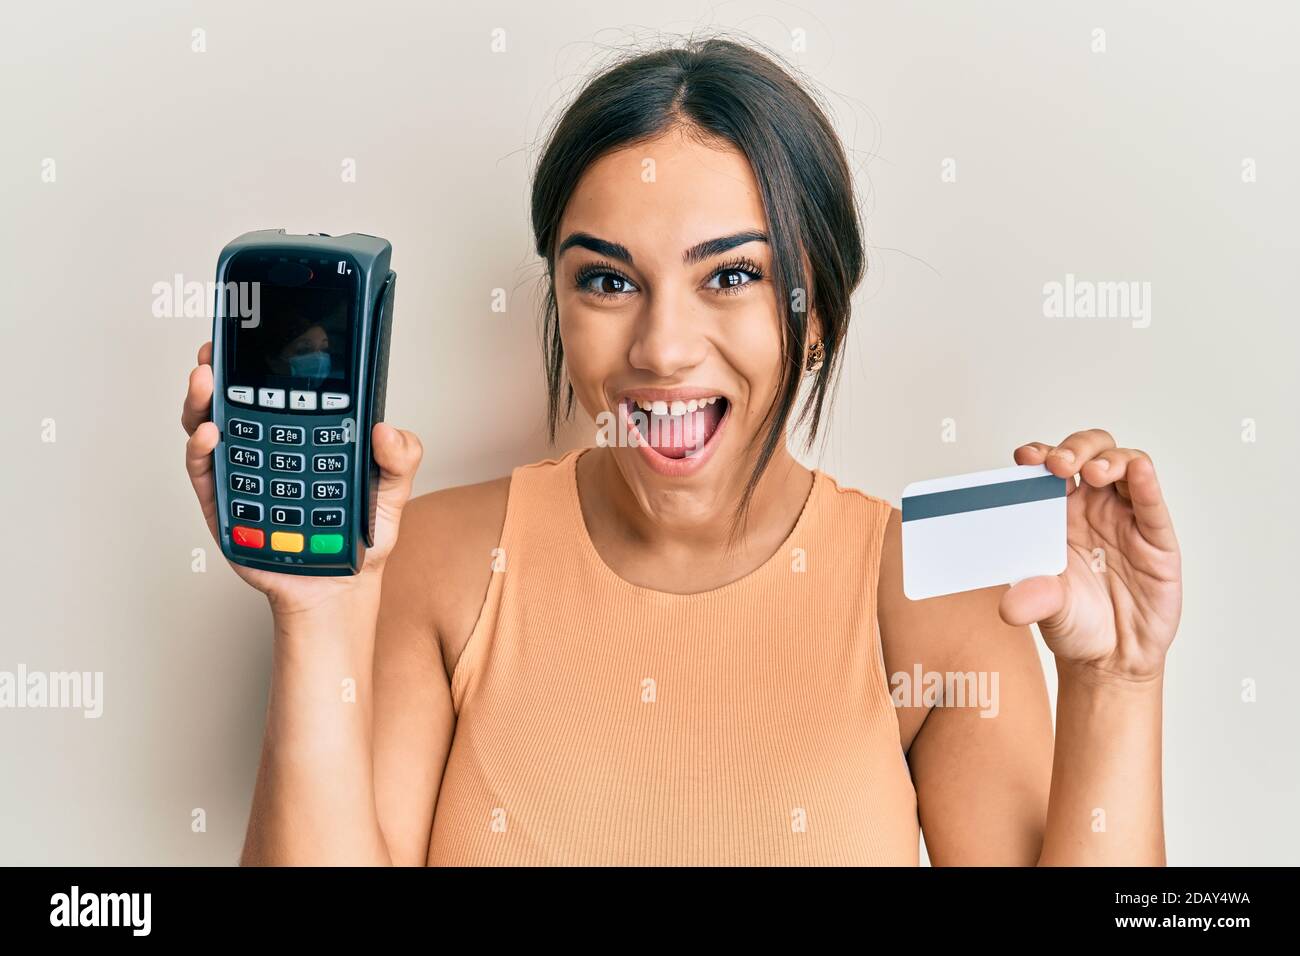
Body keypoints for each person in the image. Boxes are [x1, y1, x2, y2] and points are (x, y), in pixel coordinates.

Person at [181, 37, 1181, 866]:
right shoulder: (433, 564)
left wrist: (1118, 683)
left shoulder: (936, 587)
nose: (660, 347)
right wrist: (314, 615)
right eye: (606, 282)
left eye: (731, 276)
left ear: (819, 311)